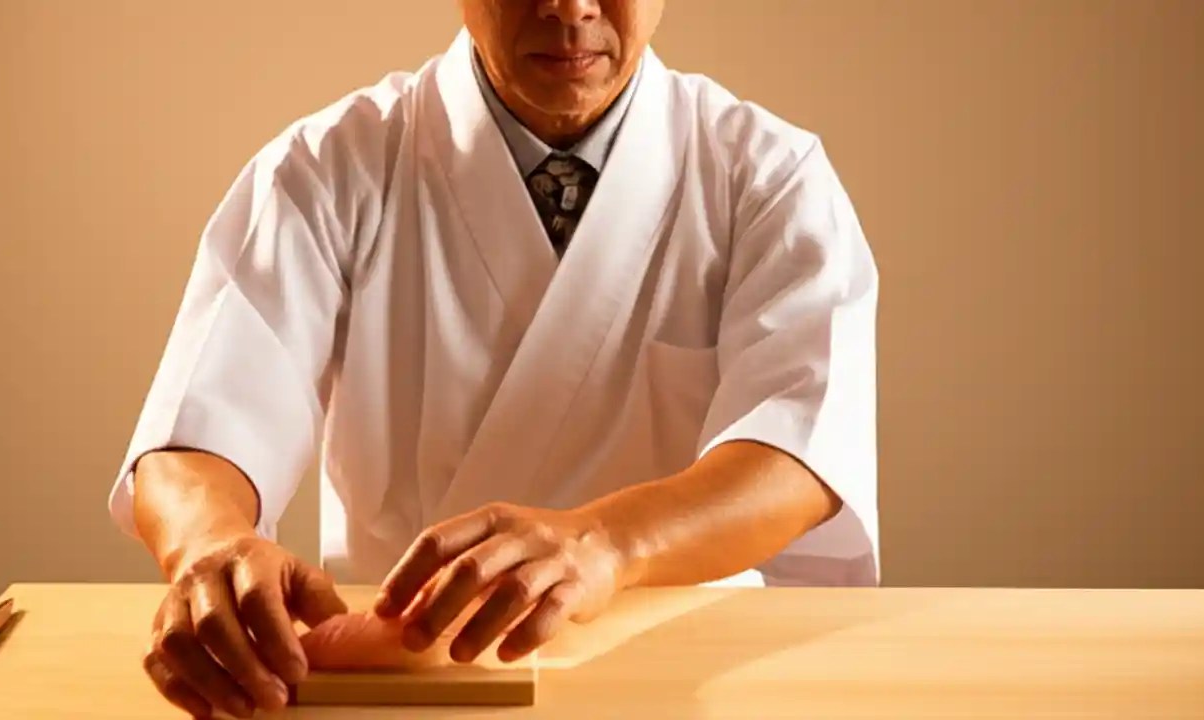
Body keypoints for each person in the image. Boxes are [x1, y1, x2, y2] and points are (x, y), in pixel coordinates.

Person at [108, 0, 879, 717]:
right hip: (400, 676)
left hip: (688, 667)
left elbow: (796, 455)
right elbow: (199, 430)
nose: (571, 7)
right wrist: (211, 543)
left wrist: (609, 541)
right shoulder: (327, 166)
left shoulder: (767, 175)